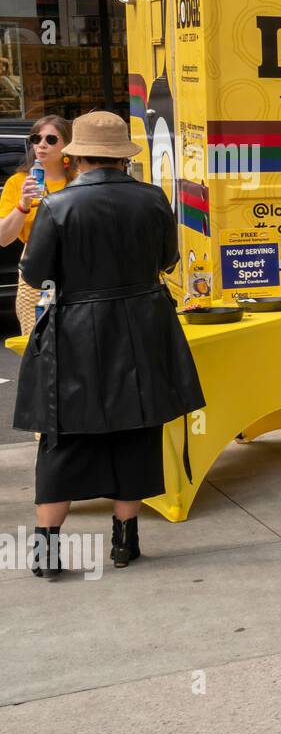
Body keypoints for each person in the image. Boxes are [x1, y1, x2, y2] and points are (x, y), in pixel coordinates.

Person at [13, 110, 205, 578]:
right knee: (135, 430)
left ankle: (47, 552)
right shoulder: (153, 199)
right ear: (122, 158)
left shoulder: (58, 207)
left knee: (64, 438)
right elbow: (167, 259)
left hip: (77, 330)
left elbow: (36, 274)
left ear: (78, 157)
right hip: (142, 324)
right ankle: (125, 541)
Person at [1, 116, 74, 335]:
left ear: (67, 145)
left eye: (51, 139)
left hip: (74, 268)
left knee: (76, 339)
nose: (41, 144)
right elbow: (4, 239)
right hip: (35, 268)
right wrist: (23, 205)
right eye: (36, 138)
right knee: (37, 340)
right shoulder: (18, 182)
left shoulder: (79, 181)